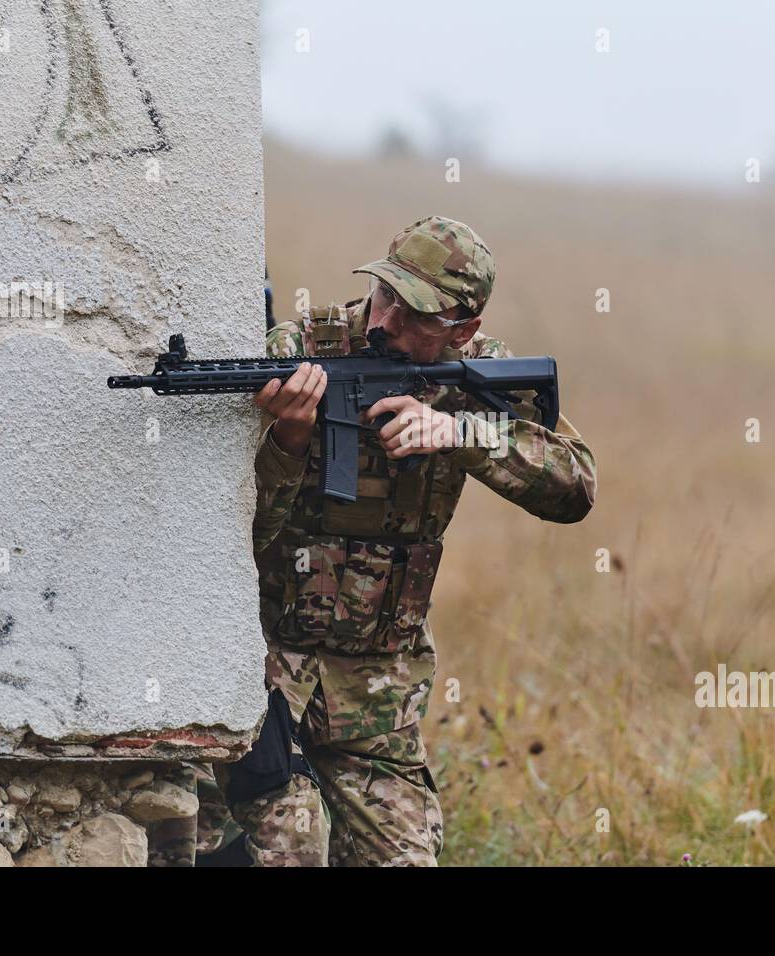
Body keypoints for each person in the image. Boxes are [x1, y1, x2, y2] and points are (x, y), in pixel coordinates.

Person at [209, 215, 597, 866]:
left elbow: (576, 485)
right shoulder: (300, 350)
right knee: (294, 850)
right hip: (272, 681)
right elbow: (232, 536)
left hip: (377, 700)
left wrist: (460, 435)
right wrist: (290, 443)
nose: (383, 320)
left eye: (411, 313)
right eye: (383, 294)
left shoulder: (486, 375)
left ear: (463, 332)